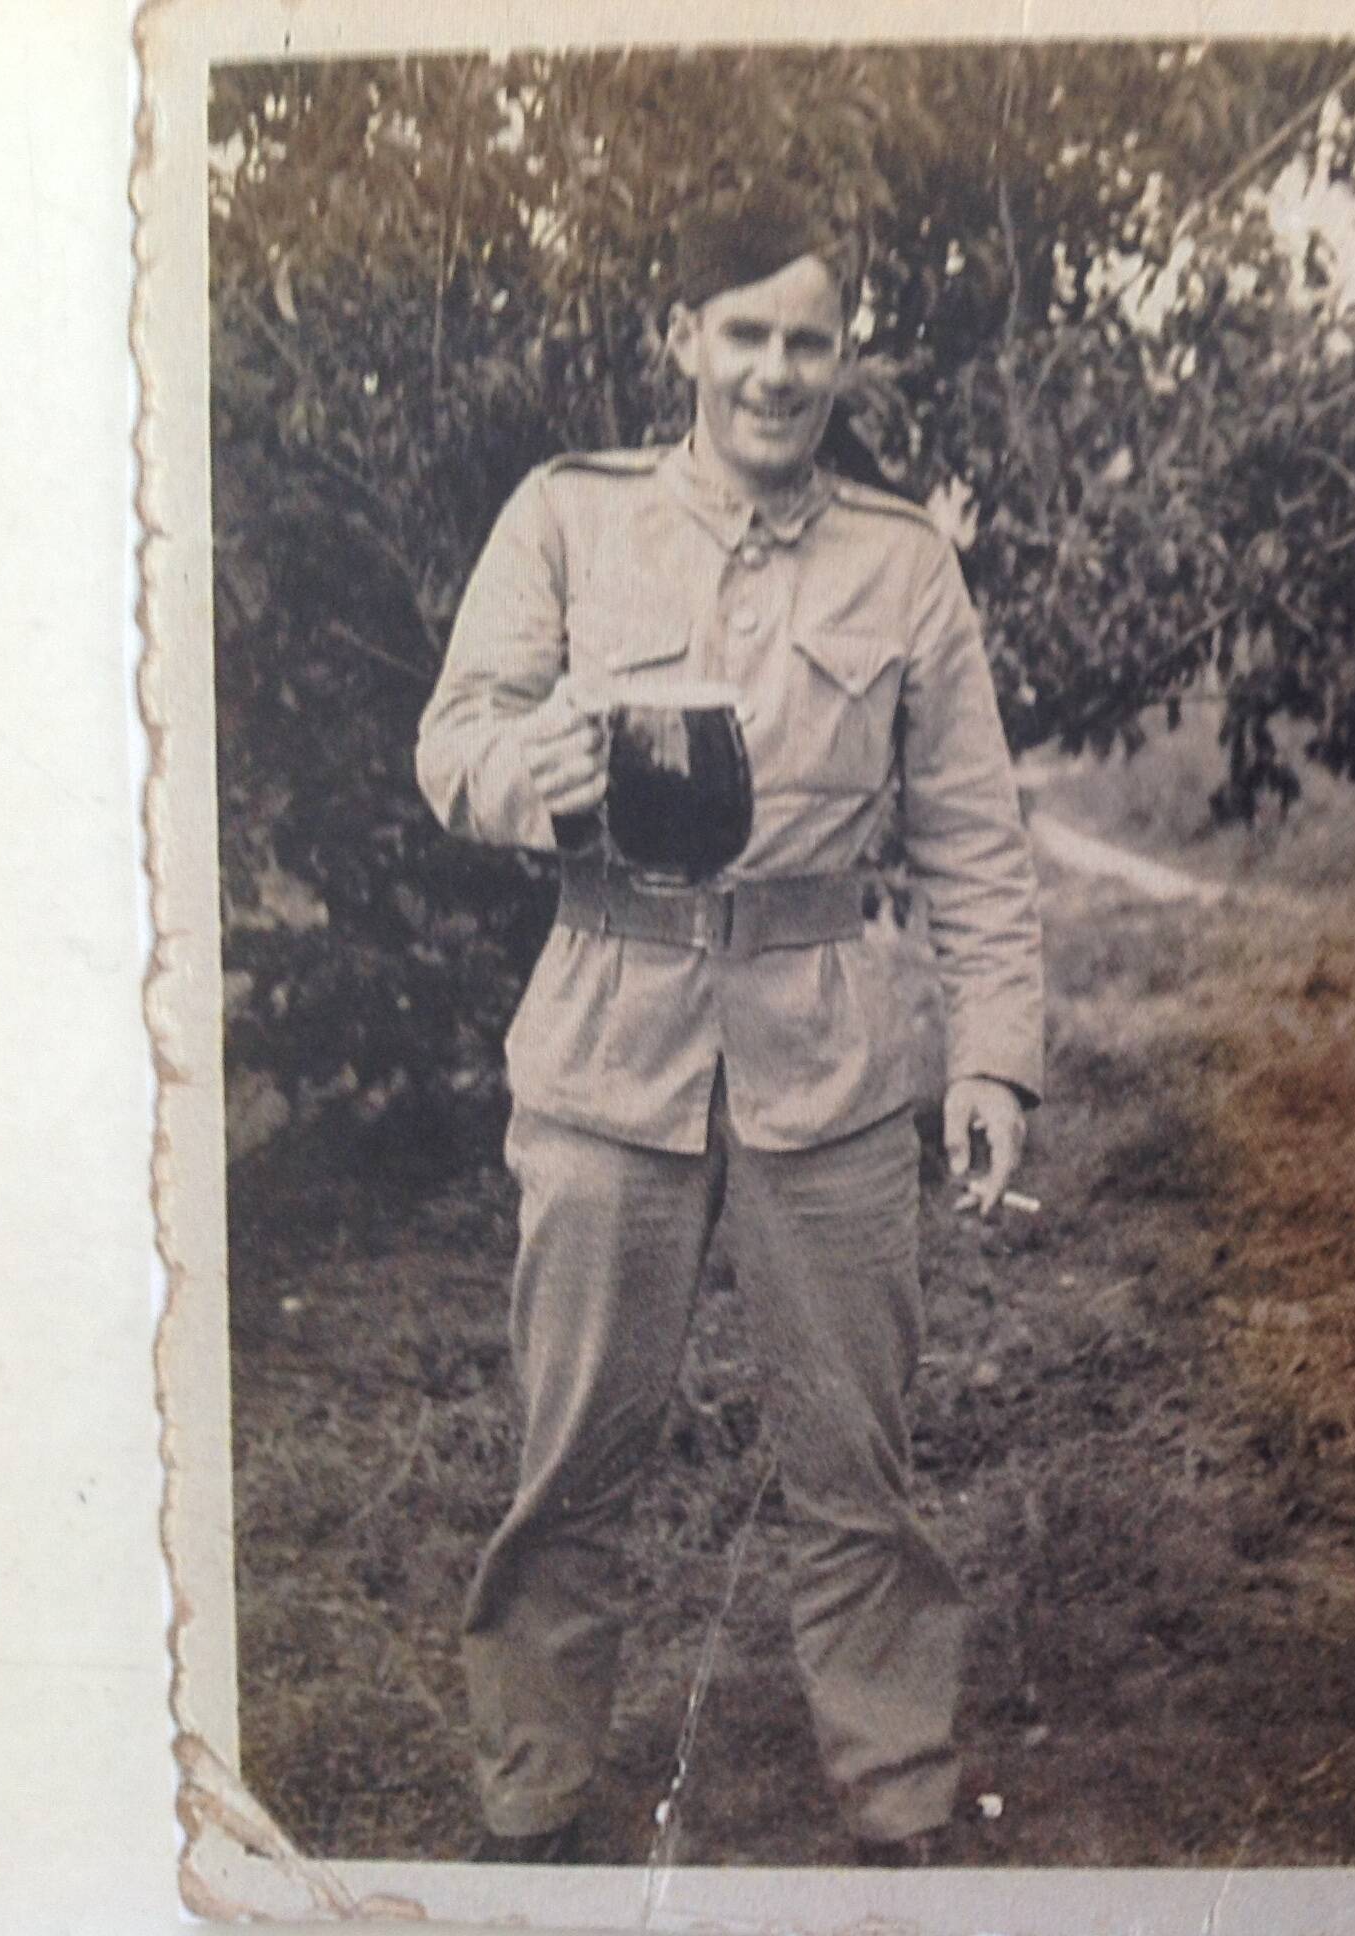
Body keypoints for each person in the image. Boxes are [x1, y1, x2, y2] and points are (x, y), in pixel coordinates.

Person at [414, 183, 1044, 1866]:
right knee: (569, 1471)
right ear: (680, 340)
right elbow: (454, 735)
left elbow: (974, 830)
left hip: (829, 1059)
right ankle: (533, 1809)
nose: (777, 371)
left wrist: (989, 1053)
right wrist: (522, 775)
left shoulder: (904, 562)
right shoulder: (569, 518)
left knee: (863, 1476)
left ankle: (900, 1813)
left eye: (810, 340)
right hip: (605, 1049)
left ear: (847, 356)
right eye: (745, 334)